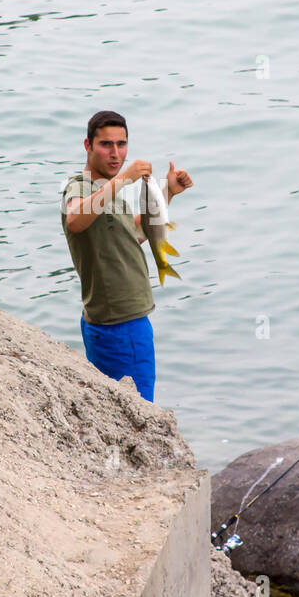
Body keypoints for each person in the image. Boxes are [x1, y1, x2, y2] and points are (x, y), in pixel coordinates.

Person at [60, 110, 193, 402]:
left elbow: (134, 236)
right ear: (88, 145)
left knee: (113, 406)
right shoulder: (81, 187)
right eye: (106, 144)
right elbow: (74, 219)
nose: (115, 153)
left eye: (121, 144)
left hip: (113, 321)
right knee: (140, 408)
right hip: (120, 326)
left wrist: (167, 193)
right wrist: (123, 179)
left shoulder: (104, 191)